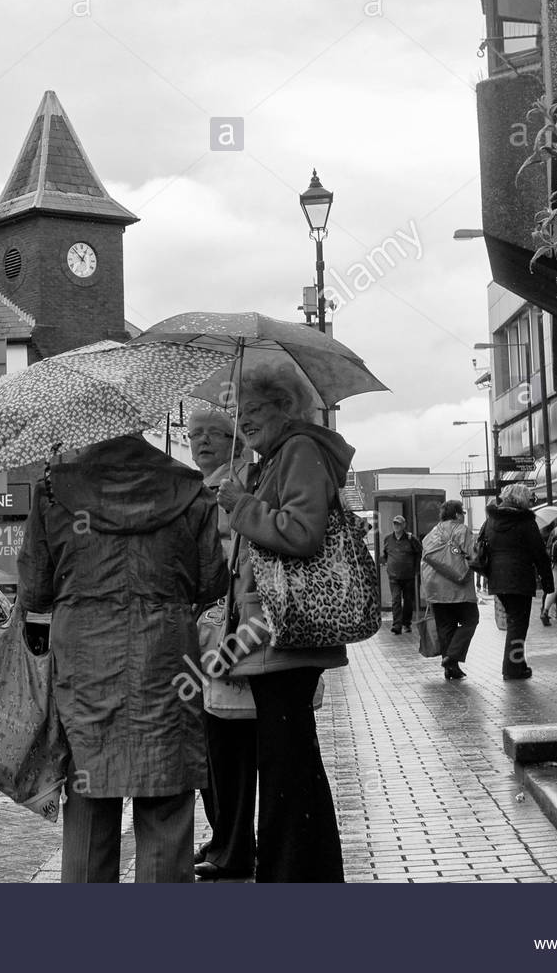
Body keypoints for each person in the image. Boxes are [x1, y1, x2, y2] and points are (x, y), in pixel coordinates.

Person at [17, 433, 227, 883]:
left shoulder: (55, 489)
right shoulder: (189, 488)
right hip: (167, 659)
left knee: (90, 792)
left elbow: (35, 589)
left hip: (85, 660)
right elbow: (212, 581)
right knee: (166, 795)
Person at [215, 362, 350, 883]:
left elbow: (301, 532)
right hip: (273, 634)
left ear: (285, 409)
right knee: (290, 762)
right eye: (239, 411)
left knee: (284, 765)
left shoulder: (298, 452)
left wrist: (242, 505)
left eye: (255, 410)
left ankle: (291, 873)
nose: (243, 420)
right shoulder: (272, 458)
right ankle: (307, 871)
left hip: (285, 632)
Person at [185, 407, 257, 880]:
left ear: (237, 440)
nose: (202, 441)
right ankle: (224, 837)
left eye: (215, 433)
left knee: (230, 748)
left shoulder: (237, 487)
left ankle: (234, 849)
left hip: (234, 634)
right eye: (195, 434)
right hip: (209, 631)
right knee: (214, 744)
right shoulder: (204, 486)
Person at [480, 483, 555, 680]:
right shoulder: (525, 522)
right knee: (517, 624)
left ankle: (519, 664)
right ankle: (512, 668)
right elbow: (539, 553)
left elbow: (480, 546)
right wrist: (548, 582)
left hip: (497, 580)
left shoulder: (490, 521)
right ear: (521, 499)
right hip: (519, 579)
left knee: (515, 621)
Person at [420, 500, 479, 681]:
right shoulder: (461, 530)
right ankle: (452, 656)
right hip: (458, 589)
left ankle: (451, 669)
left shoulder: (432, 533)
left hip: (436, 589)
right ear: (456, 514)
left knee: (446, 627)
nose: (463, 516)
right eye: (461, 512)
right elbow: (473, 555)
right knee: (471, 620)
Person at [382, 514, 422, 634]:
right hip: (393, 576)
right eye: (395, 523)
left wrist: (416, 569)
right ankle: (397, 625)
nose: (396, 526)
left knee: (408, 600)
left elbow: (419, 552)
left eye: (399, 524)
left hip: (408, 576)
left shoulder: (411, 539)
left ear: (404, 525)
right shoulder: (387, 539)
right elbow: (385, 554)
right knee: (396, 600)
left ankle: (406, 623)